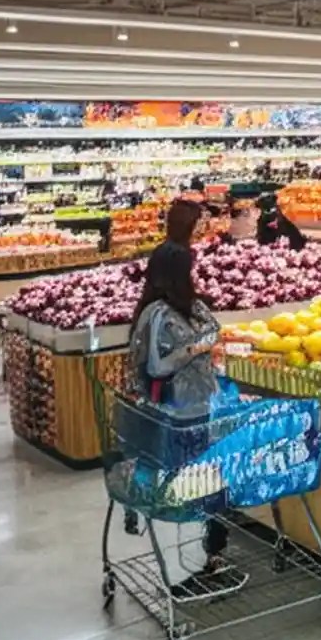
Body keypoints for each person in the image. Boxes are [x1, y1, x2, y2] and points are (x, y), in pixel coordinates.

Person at [126, 242, 229, 576]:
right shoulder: (157, 314)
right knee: (200, 481)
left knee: (209, 478)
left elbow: (214, 331)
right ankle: (203, 551)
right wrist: (198, 345)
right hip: (176, 414)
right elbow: (157, 366)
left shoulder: (190, 306)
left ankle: (213, 548)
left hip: (197, 408)